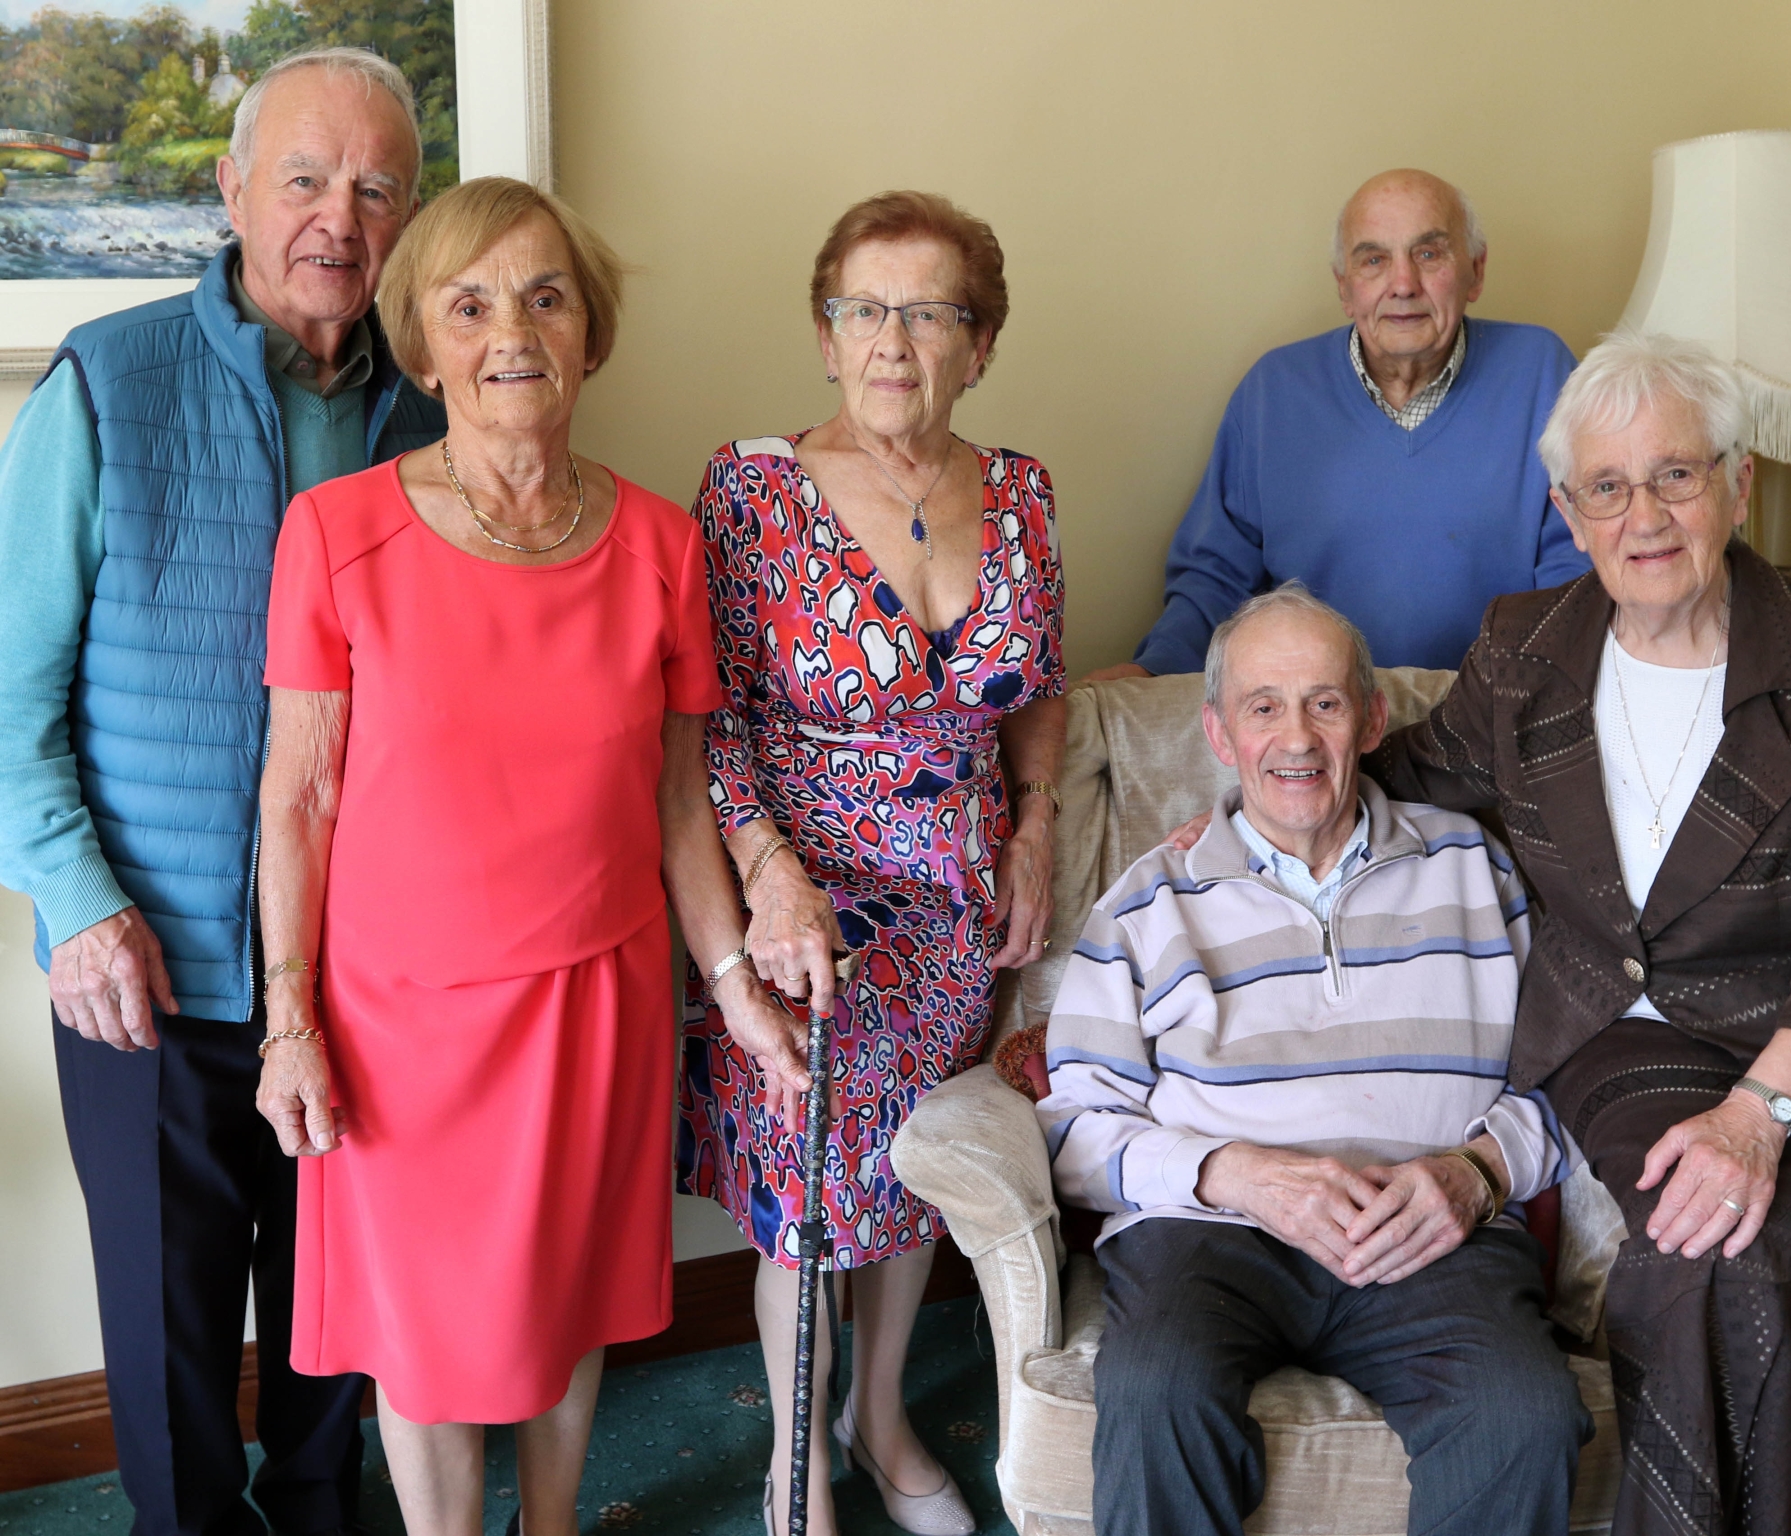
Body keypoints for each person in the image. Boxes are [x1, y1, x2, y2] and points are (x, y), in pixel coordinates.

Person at [253, 176, 809, 1534]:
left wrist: (731, 982)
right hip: (401, 1021)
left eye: (547, 297)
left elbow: (678, 801)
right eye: (473, 303)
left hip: (599, 1000)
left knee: (569, 1306)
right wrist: (289, 1022)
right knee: (424, 1345)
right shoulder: (336, 535)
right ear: (424, 346)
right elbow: (300, 799)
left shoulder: (663, 546)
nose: (514, 331)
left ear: (590, 337)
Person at [1371, 330, 1791, 1533]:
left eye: (1677, 474)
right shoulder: (1522, 654)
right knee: (1707, 1260)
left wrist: (1760, 1117)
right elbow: (1409, 778)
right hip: (1625, 1037)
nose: (1647, 515)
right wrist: (1283, 764)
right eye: (1608, 487)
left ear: (1739, 484)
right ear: (1570, 512)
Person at [0, 48, 443, 1536]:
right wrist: (76, 904)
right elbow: (10, 704)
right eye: (305, 177)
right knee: (174, 1347)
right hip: (149, 967)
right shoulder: (108, 385)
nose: (339, 217)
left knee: (338, 1322)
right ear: (230, 188)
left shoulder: (442, 423)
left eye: (378, 186)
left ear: (414, 214)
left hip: (365, 970)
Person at [1038, 585, 1591, 1536]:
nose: (1296, 738)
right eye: (1264, 706)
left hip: (1430, 1226)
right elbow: (1074, 1131)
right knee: (1158, 1388)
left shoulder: (1477, 867)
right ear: (1219, 734)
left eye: (1325, 703)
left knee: (1522, 1414)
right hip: (1207, 1233)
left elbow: (1571, 1078)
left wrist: (1477, 1174)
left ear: (1372, 718)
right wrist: (1230, 1174)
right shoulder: (1145, 902)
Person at [678, 189, 1066, 1536]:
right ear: (826, 333)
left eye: (930, 311)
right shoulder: (750, 492)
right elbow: (704, 720)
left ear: (982, 342)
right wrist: (768, 875)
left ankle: (883, 1415)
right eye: (864, 308)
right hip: (805, 913)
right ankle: (801, 1462)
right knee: (804, 1205)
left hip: (958, 911)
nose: (893, 339)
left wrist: (1036, 824)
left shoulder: (1020, 491)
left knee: (917, 1179)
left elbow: (1039, 686)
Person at [1089, 168, 1586, 682]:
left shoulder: (1541, 370)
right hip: (1315, 722)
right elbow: (1216, 580)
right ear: (1345, 288)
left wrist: (1521, 695)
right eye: (1374, 260)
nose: (1403, 285)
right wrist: (1154, 670)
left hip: (1497, 705)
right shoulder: (1273, 392)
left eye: (1429, 253)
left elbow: (1578, 563)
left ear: (1476, 272)